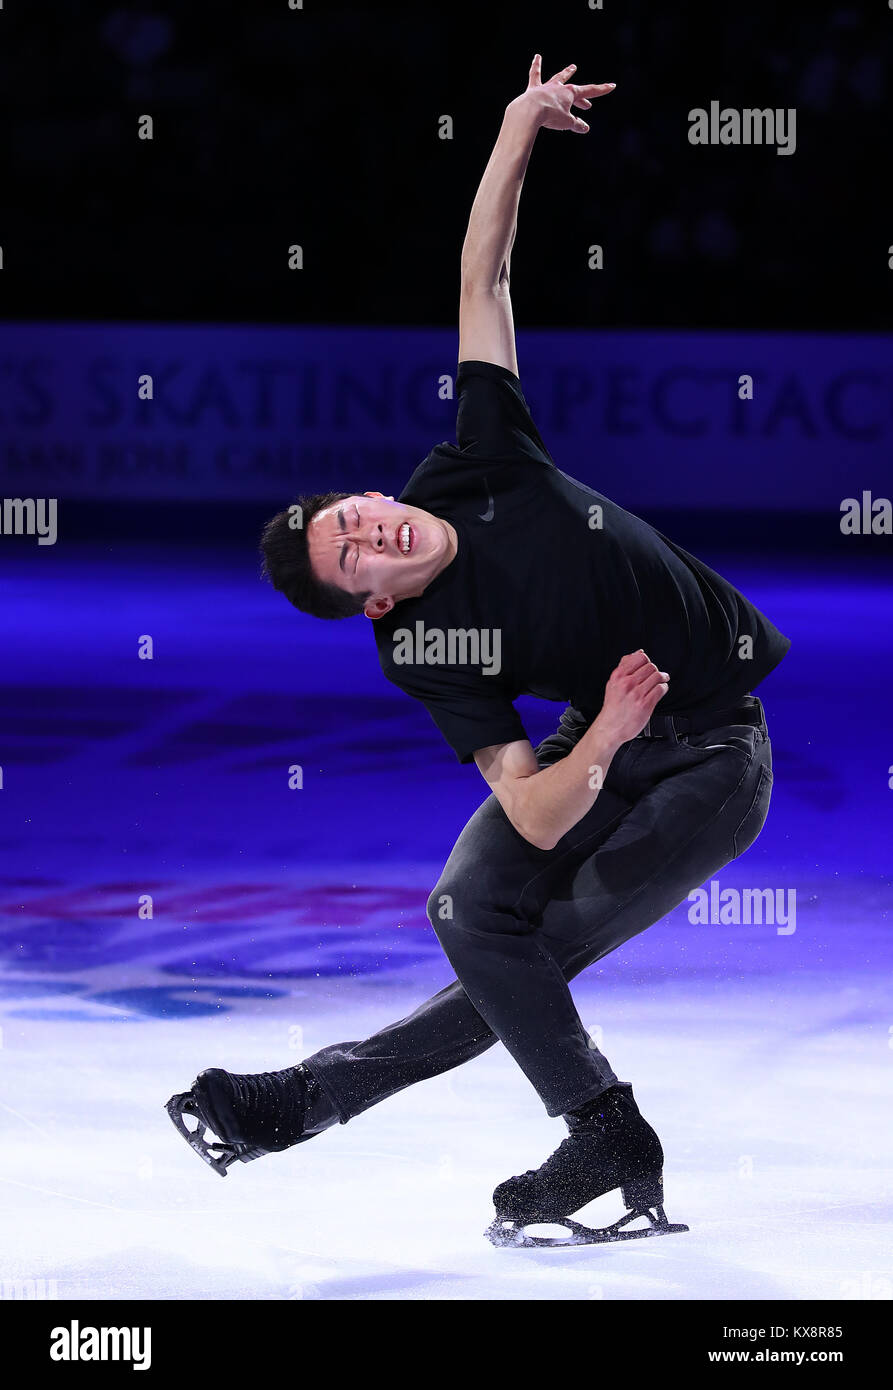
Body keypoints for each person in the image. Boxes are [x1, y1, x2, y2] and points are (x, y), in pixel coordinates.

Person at [167, 57, 789, 1246]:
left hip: (716, 757)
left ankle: (364, 1107)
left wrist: (515, 125)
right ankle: (596, 1127)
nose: (375, 530)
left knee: (526, 951)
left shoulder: (474, 457)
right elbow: (535, 815)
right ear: (369, 604)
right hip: (608, 737)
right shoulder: (423, 648)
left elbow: (483, 272)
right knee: (469, 909)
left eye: (357, 514)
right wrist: (603, 735)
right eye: (356, 555)